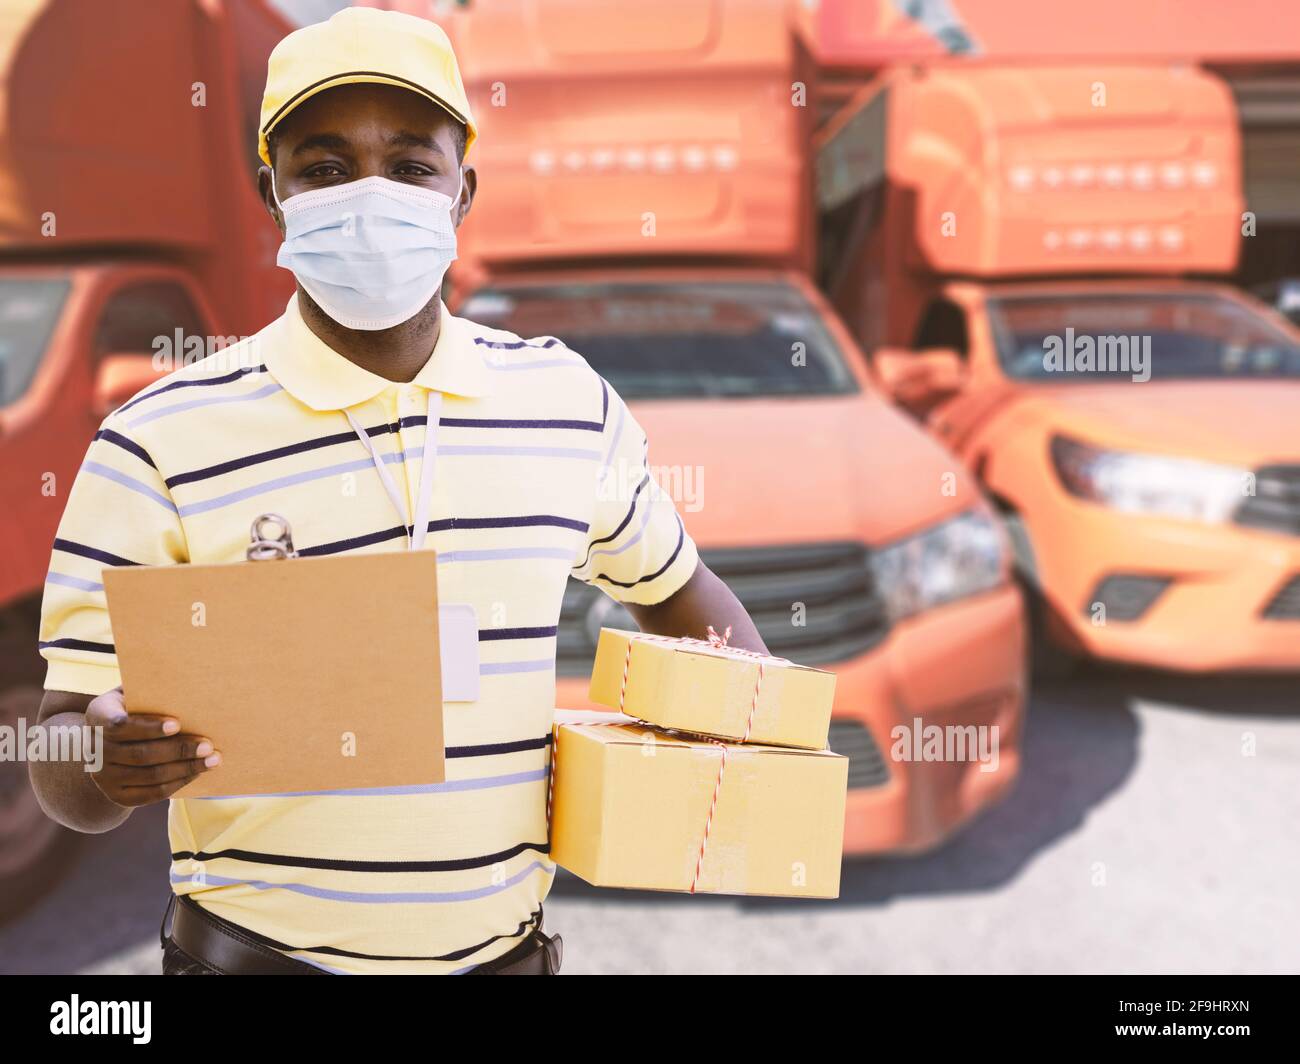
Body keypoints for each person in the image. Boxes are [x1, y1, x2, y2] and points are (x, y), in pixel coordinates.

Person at [29, 6, 765, 975]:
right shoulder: (157, 440)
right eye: (326, 167)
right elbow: (60, 757)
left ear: (463, 190)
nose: (369, 196)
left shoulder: (563, 403)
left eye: (410, 163)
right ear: (272, 192)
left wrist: (748, 726)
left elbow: (681, 594)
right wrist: (104, 760)